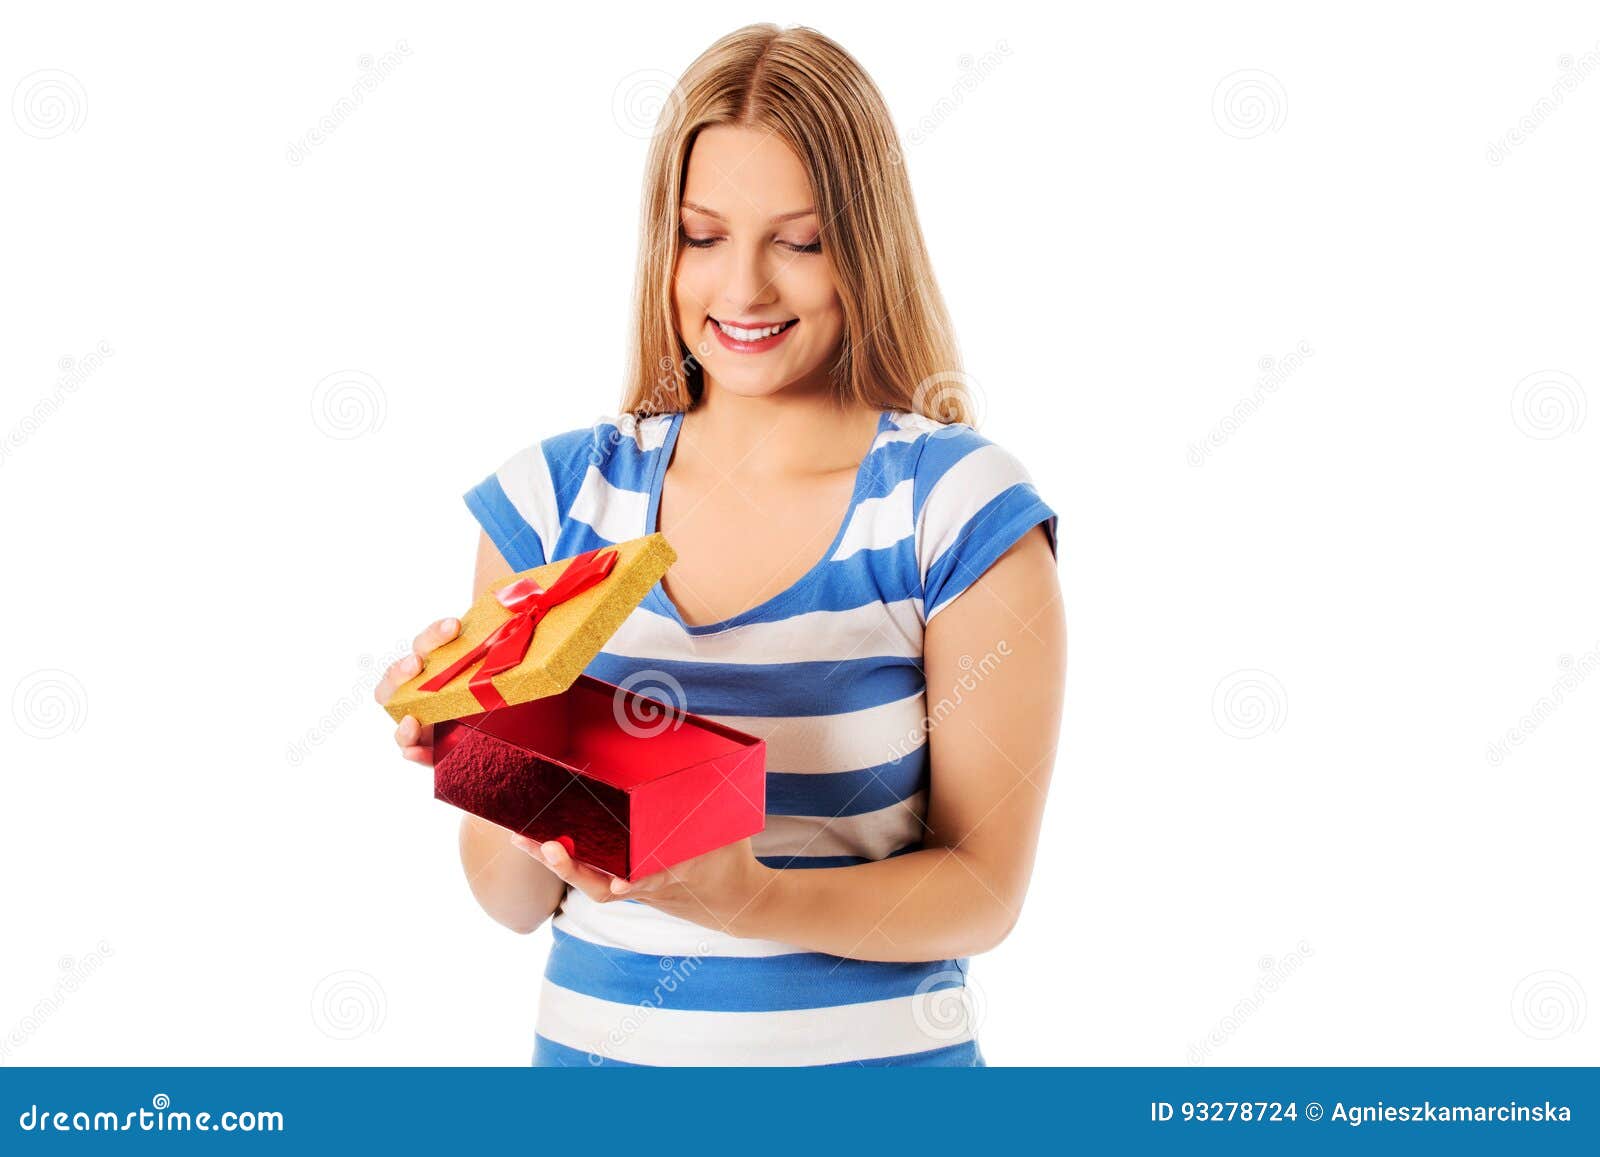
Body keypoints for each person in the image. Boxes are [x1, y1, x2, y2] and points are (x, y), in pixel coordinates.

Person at [375, 22, 1066, 1066]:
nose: (743, 290)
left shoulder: (954, 510)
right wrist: (496, 756)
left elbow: (983, 889)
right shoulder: (554, 499)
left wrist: (750, 895)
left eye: (799, 241)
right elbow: (511, 901)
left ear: (865, 248)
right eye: (703, 236)